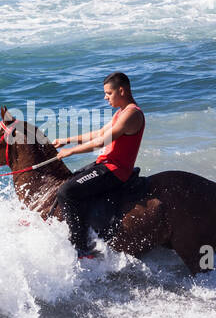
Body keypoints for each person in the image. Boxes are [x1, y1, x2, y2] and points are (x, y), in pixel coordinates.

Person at [48, 72, 145, 258]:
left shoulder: (132, 114)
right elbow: (99, 133)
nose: (105, 97)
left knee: (66, 192)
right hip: (106, 164)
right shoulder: (122, 112)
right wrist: (67, 140)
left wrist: (72, 151)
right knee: (69, 182)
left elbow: (101, 142)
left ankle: (81, 248)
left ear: (121, 90)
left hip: (115, 170)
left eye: (109, 93)